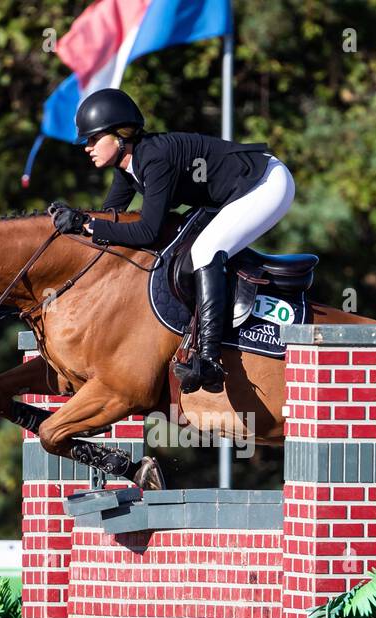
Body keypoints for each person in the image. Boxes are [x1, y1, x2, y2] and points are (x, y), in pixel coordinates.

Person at [48, 89, 296, 393]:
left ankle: (209, 359)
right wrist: (75, 222)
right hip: (236, 191)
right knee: (198, 247)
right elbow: (109, 218)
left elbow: (147, 231)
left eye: (92, 139)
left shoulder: (154, 158)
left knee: (206, 250)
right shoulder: (127, 167)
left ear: (119, 136)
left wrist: (86, 224)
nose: (86, 147)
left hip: (266, 184)